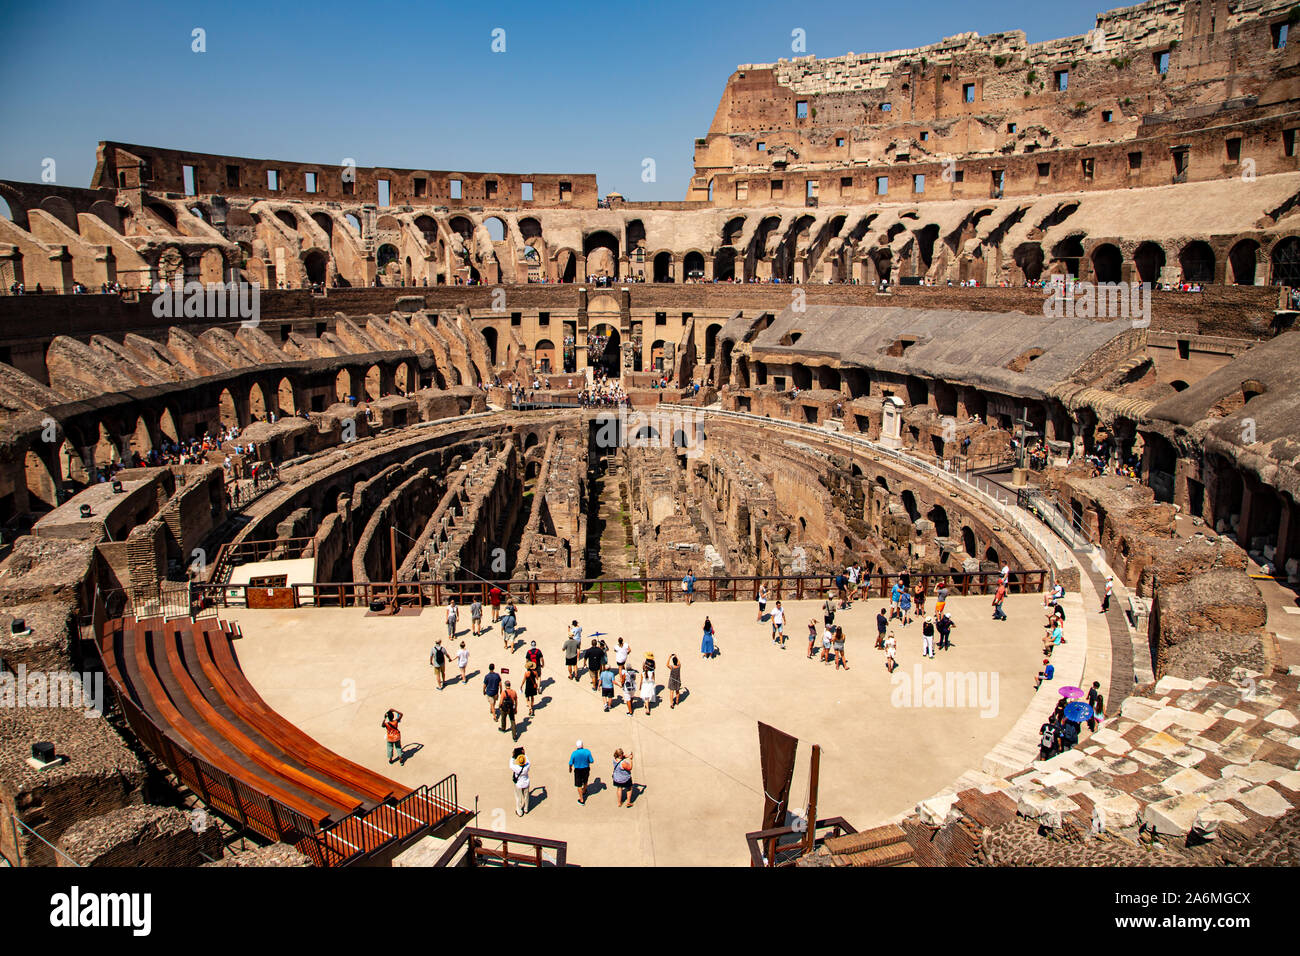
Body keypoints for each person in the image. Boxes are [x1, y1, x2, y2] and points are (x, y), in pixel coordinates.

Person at [569, 739, 594, 804]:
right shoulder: (587, 751)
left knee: (579, 785)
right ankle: (584, 790)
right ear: (582, 745)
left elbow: (570, 763)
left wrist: (570, 768)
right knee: (585, 781)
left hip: (578, 770)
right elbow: (591, 761)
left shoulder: (574, 753)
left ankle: (581, 799)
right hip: (586, 769)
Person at [511, 747, 531, 816]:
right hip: (526, 783)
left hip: (519, 784)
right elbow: (527, 759)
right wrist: (524, 754)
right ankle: (526, 809)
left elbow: (510, 764)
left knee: (518, 798)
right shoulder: (527, 766)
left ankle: (519, 812)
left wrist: (513, 756)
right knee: (526, 796)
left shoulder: (516, 767)